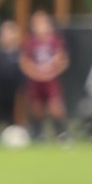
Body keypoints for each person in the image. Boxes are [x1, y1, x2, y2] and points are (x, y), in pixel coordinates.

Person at [20, 9, 70, 146]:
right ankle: (39, 133)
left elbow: (63, 60)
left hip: (50, 79)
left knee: (55, 106)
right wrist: (34, 72)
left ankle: (62, 133)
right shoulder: (30, 41)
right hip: (35, 80)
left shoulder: (55, 40)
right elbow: (24, 61)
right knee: (36, 106)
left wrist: (52, 71)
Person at [0, 19, 25, 135]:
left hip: (15, 92)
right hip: (0, 91)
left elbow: (21, 74)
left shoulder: (19, 54)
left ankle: (16, 131)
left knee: (14, 114)